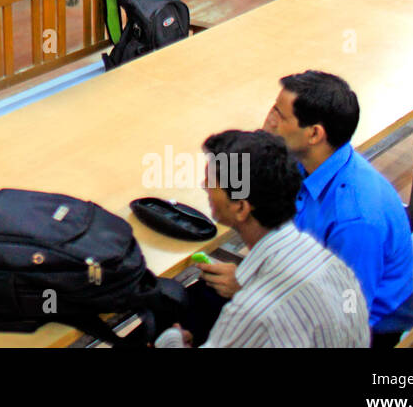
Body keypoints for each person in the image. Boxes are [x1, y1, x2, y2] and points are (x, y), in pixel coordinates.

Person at [155, 129, 370, 348]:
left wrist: (171, 341)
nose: (204, 186)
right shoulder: (336, 267)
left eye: (211, 182)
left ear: (240, 207)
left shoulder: (250, 314)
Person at [254, 71, 413, 347]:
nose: (269, 121)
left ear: (314, 134)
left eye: (279, 115)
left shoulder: (355, 220)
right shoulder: (314, 161)